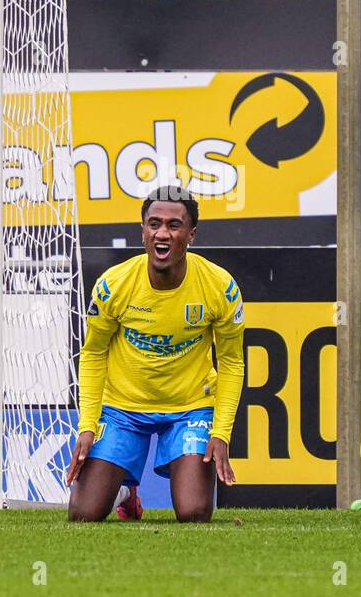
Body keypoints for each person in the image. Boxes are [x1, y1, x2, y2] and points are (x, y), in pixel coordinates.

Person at [66, 186, 245, 523]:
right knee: (83, 514)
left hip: (190, 406)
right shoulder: (113, 286)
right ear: (143, 231)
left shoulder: (220, 287)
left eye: (174, 225)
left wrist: (220, 432)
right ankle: (124, 490)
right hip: (122, 409)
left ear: (191, 235)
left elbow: (232, 362)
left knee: (193, 513)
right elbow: (92, 355)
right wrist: (87, 426)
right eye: (154, 224)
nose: (163, 233)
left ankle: (161, 475)